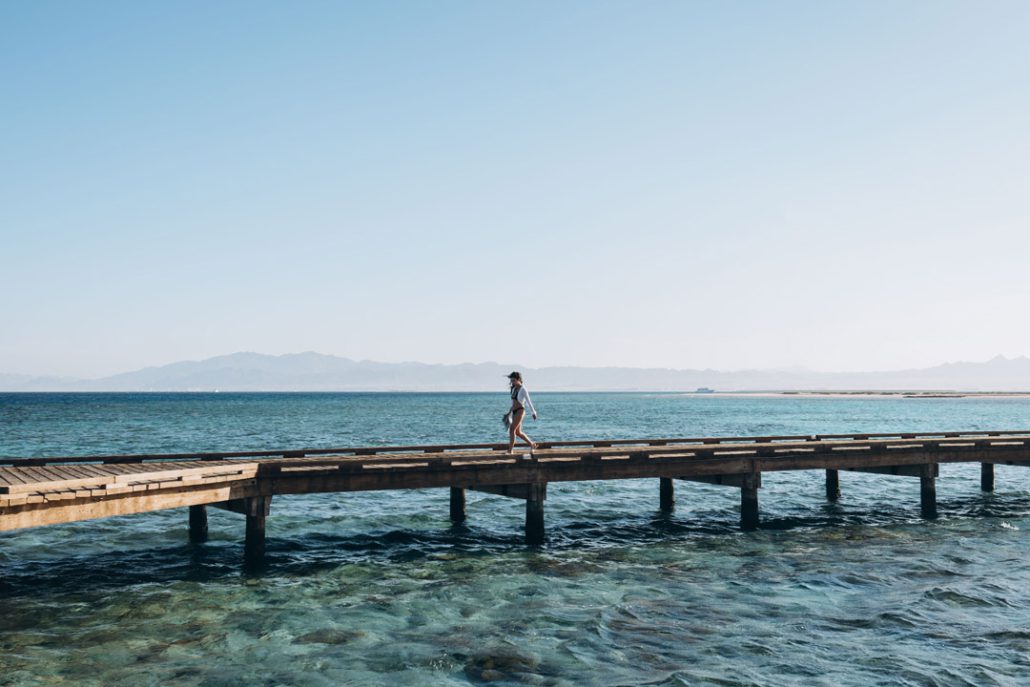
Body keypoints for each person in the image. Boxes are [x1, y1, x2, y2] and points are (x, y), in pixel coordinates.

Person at [506, 371, 537, 453]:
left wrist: (533, 413)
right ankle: (532, 444)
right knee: (518, 432)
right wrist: (509, 413)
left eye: (514, 380)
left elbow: (528, 401)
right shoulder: (513, 388)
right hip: (514, 412)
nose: (512, 382)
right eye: (511, 381)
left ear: (518, 379)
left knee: (512, 429)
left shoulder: (523, 389)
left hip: (520, 411)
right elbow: (513, 403)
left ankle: (510, 450)